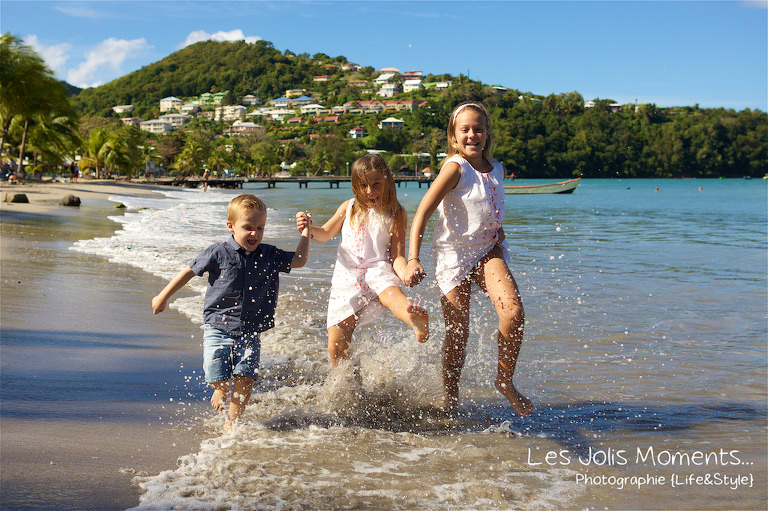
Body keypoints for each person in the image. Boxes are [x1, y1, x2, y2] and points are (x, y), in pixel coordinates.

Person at [404, 102, 533, 417]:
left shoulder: (498, 169)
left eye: (478, 129)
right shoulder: (455, 167)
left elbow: (487, 205)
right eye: (465, 129)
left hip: (488, 250)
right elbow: (423, 211)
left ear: (487, 133)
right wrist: (412, 258)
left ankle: (505, 382)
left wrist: (498, 230)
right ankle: (450, 397)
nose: (472, 135)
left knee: (513, 312)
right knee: (458, 331)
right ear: (454, 136)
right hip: (453, 255)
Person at [152, 194, 310, 432]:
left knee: (246, 379)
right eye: (248, 228)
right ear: (231, 226)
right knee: (217, 377)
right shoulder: (218, 252)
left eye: (260, 228)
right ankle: (220, 388)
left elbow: (299, 260)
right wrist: (163, 295)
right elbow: (189, 271)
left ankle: (232, 421)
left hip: (250, 329)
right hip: (218, 326)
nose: (254, 234)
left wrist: (306, 233)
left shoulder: (269, 254)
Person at [301, 154, 429, 367]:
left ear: (387, 180)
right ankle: (350, 388)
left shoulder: (396, 213)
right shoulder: (348, 207)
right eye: (364, 186)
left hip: (377, 268)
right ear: (355, 186)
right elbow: (324, 233)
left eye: (376, 184)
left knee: (391, 295)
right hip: (347, 276)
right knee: (337, 343)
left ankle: (414, 319)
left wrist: (406, 272)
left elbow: (397, 255)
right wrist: (308, 228)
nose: (370, 191)